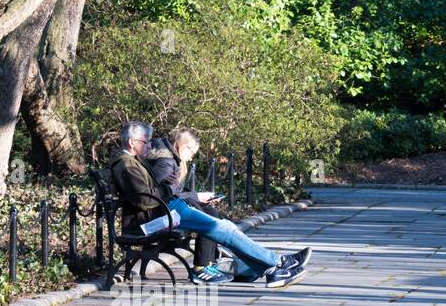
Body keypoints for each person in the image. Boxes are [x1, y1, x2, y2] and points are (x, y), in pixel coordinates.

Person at [108, 121, 310, 287]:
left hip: (166, 211)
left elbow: (149, 195)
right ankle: (278, 262)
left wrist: (177, 193)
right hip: (155, 220)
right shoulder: (126, 165)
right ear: (133, 142)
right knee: (222, 228)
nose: (150, 146)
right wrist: (171, 189)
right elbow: (143, 200)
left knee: (225, 227)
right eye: (146, 142)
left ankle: (272, 269)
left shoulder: (133, 161)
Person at [144, 129, 228, 273]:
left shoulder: (172, 159)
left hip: (167, 210)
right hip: (158, 215)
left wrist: (198, 196)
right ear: (183, 146)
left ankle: (207, 262)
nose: (190, 158)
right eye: (192, 154)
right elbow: (160, 197)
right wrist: (195, 197)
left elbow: (173, 191)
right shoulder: (166, 162)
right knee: (209, 217)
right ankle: (203, 266)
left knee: (211, 212)